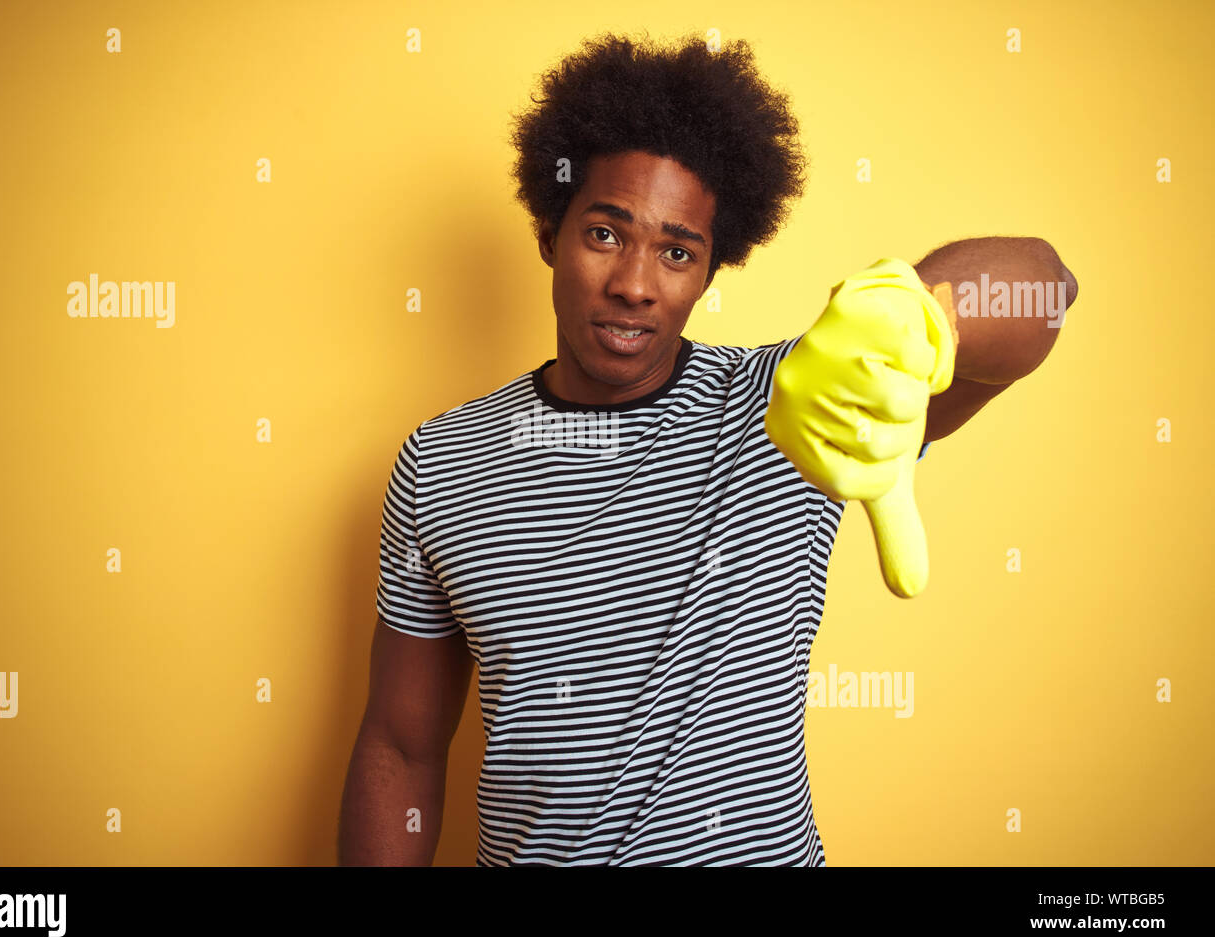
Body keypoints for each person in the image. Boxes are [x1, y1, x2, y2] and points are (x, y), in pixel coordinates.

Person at [338, 30, 1075, 866]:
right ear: (550, 231)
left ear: (710, 273)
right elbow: (401, 746)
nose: (636, 283)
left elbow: (1047, 286)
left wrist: (921, 316)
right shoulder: (443, 460)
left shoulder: (797, 404)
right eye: (606, 235)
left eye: (678, 252)